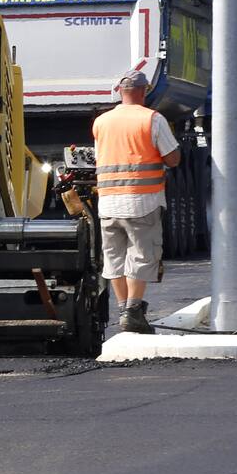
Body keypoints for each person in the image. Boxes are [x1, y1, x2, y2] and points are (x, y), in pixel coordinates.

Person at [92, 69, 181, 334]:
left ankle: (123, 310)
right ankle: (132, 311)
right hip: (143, 200)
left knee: (114, 257)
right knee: (141, 254)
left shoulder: (102, 122)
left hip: (108, 202)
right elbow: (172, 158)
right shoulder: (152, 119)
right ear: (144, 92)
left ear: (120, 92)